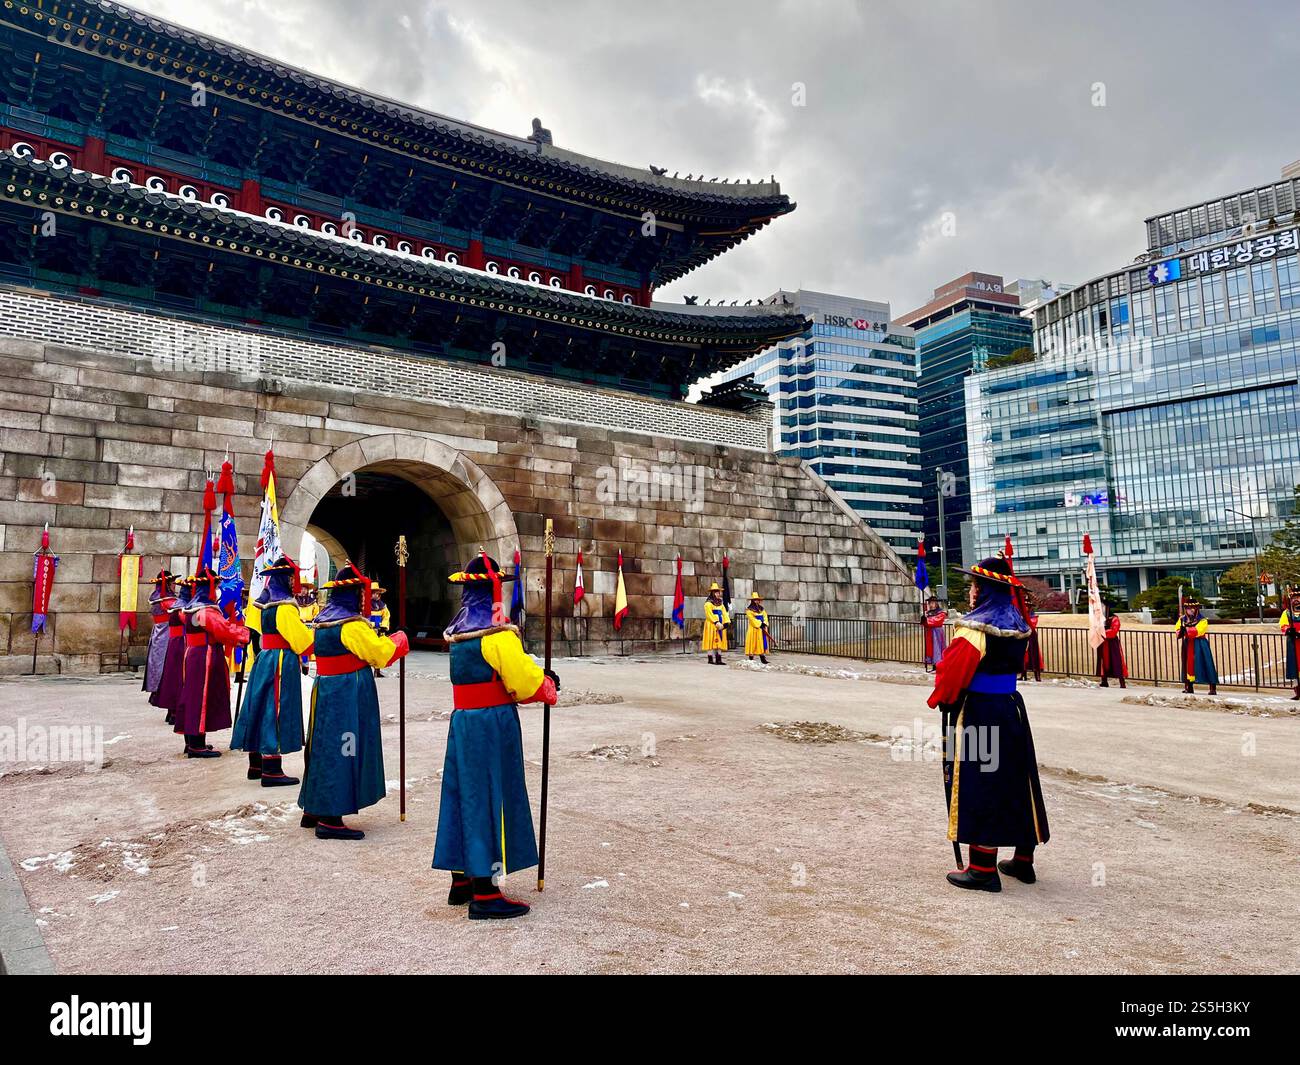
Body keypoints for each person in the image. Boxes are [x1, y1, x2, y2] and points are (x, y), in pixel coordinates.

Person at [432, 552, 559, 920]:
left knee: (462, 792)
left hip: (464, 722)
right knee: (490, 795)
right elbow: (521, 681)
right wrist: (547, 685)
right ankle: (485, 893)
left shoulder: (458, 633)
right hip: (491, 724)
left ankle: (462, 878)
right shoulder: (497, 635)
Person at [926, 554, 1050, 893]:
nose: (970, 591)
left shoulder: (974, 628)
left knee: (982, 782)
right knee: (1017, 779)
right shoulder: (1019, 624)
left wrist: (944, 699)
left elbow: (952, 674)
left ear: (984, 589)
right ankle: (1024, 860)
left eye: (974, 585)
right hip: (1011, 707)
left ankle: (982, 868)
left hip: (981, 709)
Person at [298, 563, 409, 840]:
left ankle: (314, 806)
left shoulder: (323, 620)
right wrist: (399, 639)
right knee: (342, 749)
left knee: (322, 746)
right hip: (346, 693)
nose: (365, 599)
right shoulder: (351, 625)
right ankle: (331, 817)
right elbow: (378, 654)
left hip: (325, 690)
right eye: (361, 593)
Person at [231, 555, 314, 787]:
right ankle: (272, 769)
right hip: (280, 661)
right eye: (290, 578)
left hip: (265, 658)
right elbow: (301, 640)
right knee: (275, 709)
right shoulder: (285, 607)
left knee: (259, 706)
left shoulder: (265, 603)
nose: (292, 582)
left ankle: (255, 764)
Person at [174, 566, 251, 758]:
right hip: (205, 656)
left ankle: (192, 740)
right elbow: (223, 630)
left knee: (192, 696)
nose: (218, 589)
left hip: (193, 653)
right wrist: (245, 634)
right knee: (201, 697)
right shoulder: (206, 612)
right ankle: (196, 745)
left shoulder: (189, 609)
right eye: (216, 585)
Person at [150, 574, 192, 724]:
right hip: (173, 639)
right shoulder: (172, 603)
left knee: (171, 675)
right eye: (172, 583)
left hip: (167, 637)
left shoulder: (165, 600)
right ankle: (174, 712)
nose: (174, 586)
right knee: (177, 679)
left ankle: (171, 711)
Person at [141, 569, 177, 700]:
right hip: (166, 632)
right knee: (163, 661)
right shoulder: (166, 600)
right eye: (173, 583)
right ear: (167, 584)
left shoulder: (156, 597)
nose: (175, 586)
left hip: (159, 630)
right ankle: (159, 690)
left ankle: (156, 690)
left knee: (156, 660)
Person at [1175, 597, 1218, 695]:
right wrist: (1181, 630)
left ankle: (1212, 687)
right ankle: (1189, 686)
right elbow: (1178, 630)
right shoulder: (1182, 619)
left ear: (1196, 608)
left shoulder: (1202, 620)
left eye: (1193, 608)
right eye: (1188, 608)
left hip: (1200, 644)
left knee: (1206, 663)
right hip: (1187, 643)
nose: (1191, 610)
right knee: (1187, 664)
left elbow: (1199, 631)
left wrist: (1186, 629)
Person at [1097, 604, 1128, 688]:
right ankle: (1104, 681)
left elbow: (1114, 631)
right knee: (1103, 661)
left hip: (1112, 643)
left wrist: (1102, 632)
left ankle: (1122, 682)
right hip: (1103, 642)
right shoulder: (1101, 619)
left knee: (1117, 660)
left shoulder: (1115, 619)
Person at [702, 582, 730, 665]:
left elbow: (724, 613)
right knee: (711, 640)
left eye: (719, 592)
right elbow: (709, 614)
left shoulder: (720, 603)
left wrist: (726, 622)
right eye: (716, 592)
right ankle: (710, 658)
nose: (718, 594)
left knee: (720, 640)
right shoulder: (708, 603)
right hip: (712, 624)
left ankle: (719, 658)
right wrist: (716, 621)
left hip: (721, 624)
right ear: (713, 593)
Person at [1281, 589, 1300, 700]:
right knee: (1296, 666)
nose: (1296, 600)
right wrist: (1288, 630)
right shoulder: (1287, 613)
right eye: (1294, 598)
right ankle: (1298, 689)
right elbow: (1283, 625)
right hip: (1293, 642)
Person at [370, 585, 392, 678]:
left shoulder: (382, 605)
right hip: (369, 629)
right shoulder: (365, 604)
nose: (377, 595)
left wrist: (384, 626)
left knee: (379, 651)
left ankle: (377, 670)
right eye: (375, 593)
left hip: (379, 630)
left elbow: (386, 616)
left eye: (378, 593)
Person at [1020, 597, 1043, 682]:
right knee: (1023, 654)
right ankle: (1023, 674)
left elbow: (1032, 624)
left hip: (1031, 637)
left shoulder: (1032, 616)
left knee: (1034, 654)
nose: (1026, 607)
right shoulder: (1021, 615)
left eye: (1027, 606)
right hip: (1023, 635)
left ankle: (1037, 675)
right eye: (1024, 606)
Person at [744, 591, 771, 664]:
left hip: (761, 628)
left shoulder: (762, 609)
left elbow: (765, 616)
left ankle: (763, 658)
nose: (757, 601)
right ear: (752, 601)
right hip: (754, 628)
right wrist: (759, 624)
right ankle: (751, 658)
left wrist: (764, 623)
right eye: (755, 600)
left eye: (758, 600)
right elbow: (751, 619)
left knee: (762, 642)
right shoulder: (749, 610)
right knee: (753, 642)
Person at [923, 594, 947, 673]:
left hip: (937, 633)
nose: (931, 604)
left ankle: (937, 667)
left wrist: (927, 621)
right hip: (930, 633)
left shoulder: (941, 613)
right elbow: (924, 623)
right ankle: (933, 666)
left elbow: (937, 621)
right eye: (930, 603)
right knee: (931, 649)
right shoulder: (928, 613)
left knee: (937, 649)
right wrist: (924, 620)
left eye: (933, 603)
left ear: (936, 603)